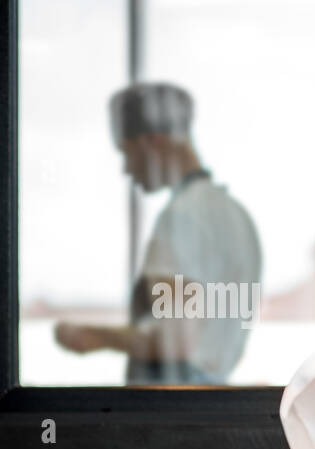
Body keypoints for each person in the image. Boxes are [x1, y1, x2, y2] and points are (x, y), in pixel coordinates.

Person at [54, 82, 261, 384]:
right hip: (212, 406)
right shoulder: (238, 219)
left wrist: (93, 336)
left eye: (128, 152)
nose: (127, 169)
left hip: (169, 415)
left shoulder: (180, 217)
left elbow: (175, 338)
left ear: (153, 141)